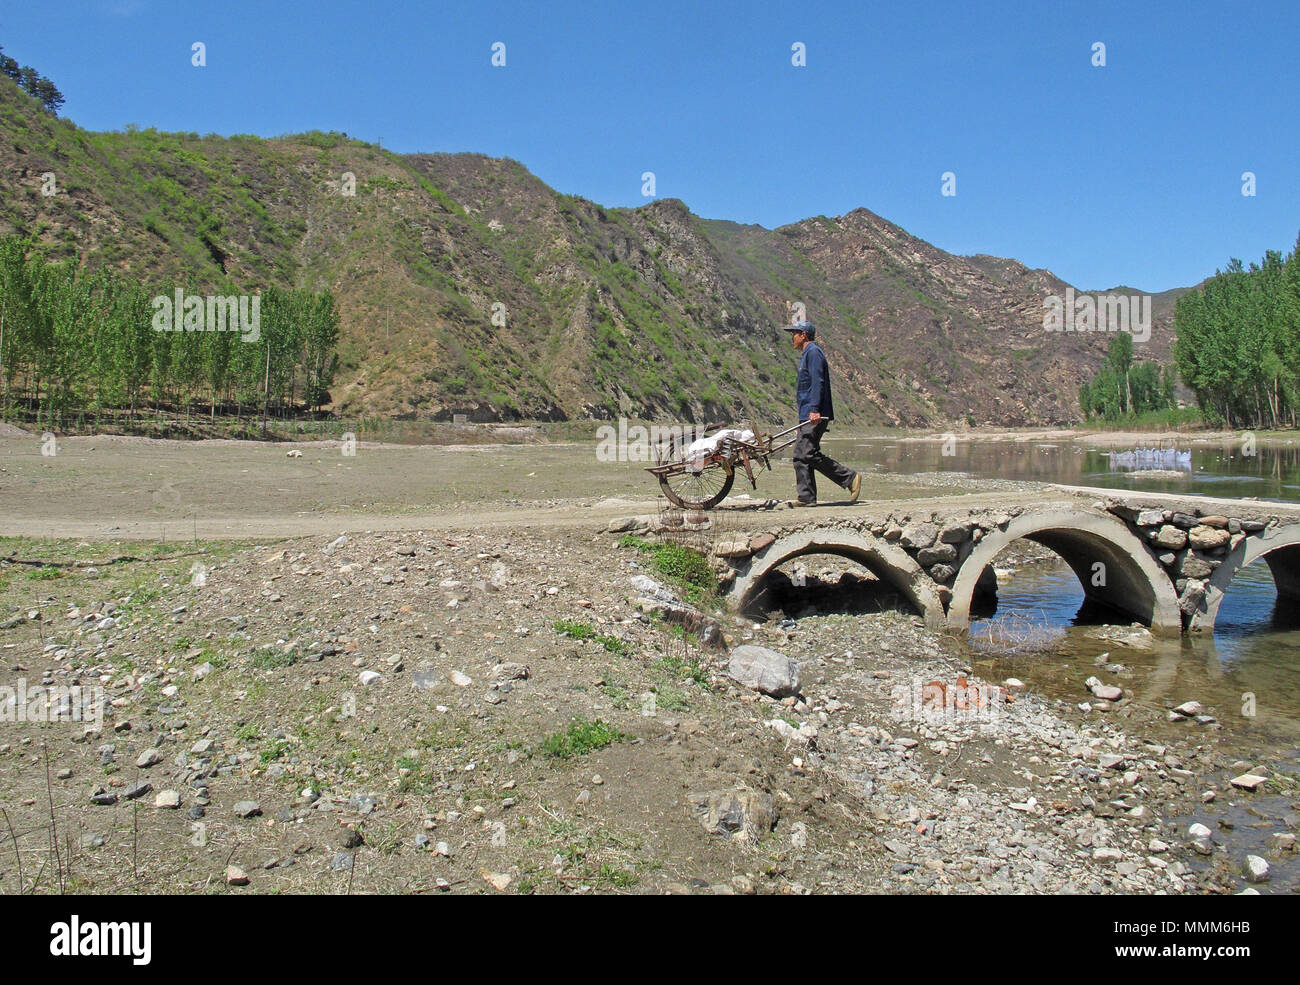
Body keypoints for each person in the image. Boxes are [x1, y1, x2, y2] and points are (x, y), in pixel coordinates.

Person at [782, 320, 861, 506]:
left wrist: (815, 410)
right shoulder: (806, 355)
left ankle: (849, 477)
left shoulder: (814, 352)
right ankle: (806, 497)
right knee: (801, 455)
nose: (792, 338)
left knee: (807, 453)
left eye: (794, 333)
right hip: (807, 414)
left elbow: (818, 383)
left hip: (815, 413)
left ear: (804, 335)